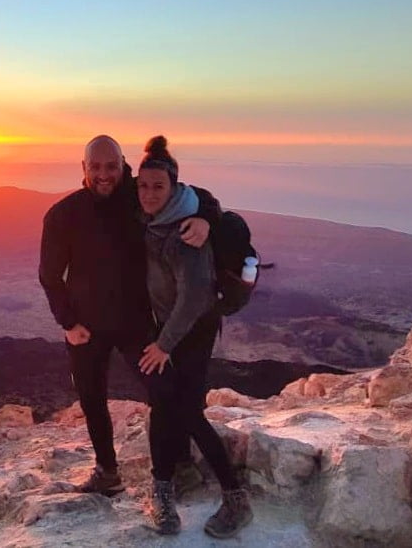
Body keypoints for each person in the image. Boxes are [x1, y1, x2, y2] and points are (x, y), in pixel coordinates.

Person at [38, 135, 220, 495]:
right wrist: (68, 322)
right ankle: (107, 472)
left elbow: (198, 197)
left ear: (124, 165)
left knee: (164, 391)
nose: (104, 174)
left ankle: (179, 464)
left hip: (135, 324)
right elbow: (49, 275)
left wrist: (206, 219)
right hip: (86, 327)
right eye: (96, 167)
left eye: (111, 166)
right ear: (84, 167)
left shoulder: (139, 194)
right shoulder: (63, 214)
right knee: (92, 398)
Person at [135, 135, 253, 538]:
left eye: (158, 186)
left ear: (174, 187)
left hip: (193, 329)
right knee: (161, 405)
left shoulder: (185, 233)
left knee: (185, 412)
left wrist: (163, 345)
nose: (149, 194)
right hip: (166, 326)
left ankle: (235, 497)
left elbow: (195, 298)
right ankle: (164, 486)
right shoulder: (153, 214)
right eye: (143, 186)